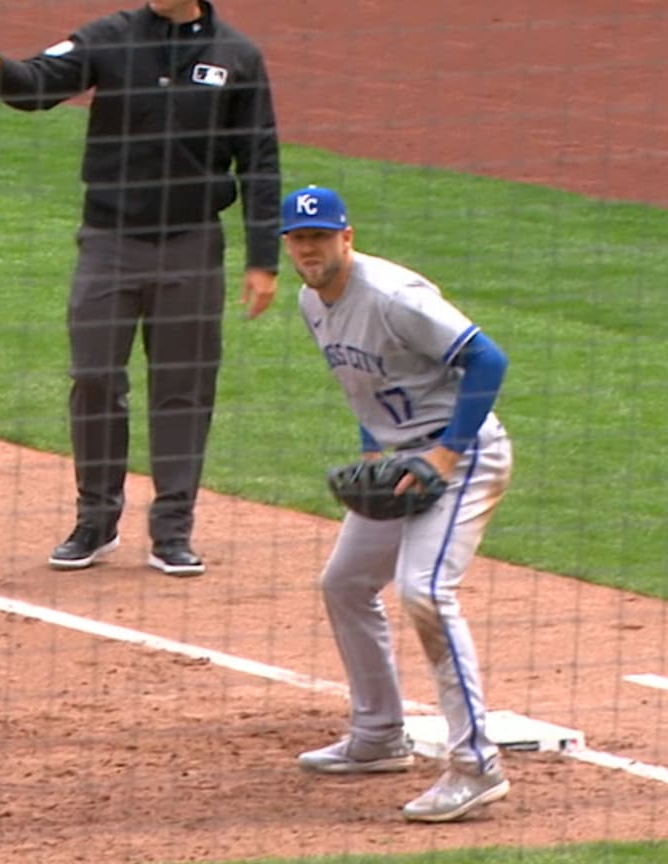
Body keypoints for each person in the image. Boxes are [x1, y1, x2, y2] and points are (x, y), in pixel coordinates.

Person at [0, 0, 281, 577]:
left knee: (184, 387)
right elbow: (43, 81)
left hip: (191, 243)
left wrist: (263, 258)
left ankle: (173, 531)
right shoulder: (110, 36)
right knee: (95, 377)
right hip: (109, 240)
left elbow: (260, 160)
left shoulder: (238, 56)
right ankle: (95, 520)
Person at [281, 185, 513, 822]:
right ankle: (379, 736)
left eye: (321, 237)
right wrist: (374, 450)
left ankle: (476, 767)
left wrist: (445, 453)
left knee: (425, 591)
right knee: (346, 583)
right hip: (403, 464)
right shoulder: (310, 302)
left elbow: (488, 359)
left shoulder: (392, 296)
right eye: (299, 239)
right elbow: (369, 384)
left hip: (463, 457)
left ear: (346, 237)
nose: (310, 249)